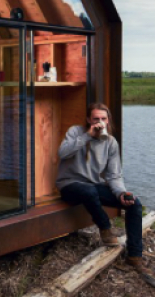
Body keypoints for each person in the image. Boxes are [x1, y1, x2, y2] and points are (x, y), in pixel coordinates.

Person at [56, 103, 146, 271]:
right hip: (70, 184)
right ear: (88, 119)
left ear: (108, 120)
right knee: (89, 190)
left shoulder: (110, 142)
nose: (99, 122)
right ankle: (105, 229)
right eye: (95, 118)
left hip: (93, 186)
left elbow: (114, 175)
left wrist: (121, 193)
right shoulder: (75, 132)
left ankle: (135, 256)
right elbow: (63, 153)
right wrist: (88, 136)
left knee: (135, 204)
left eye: (103, 118)